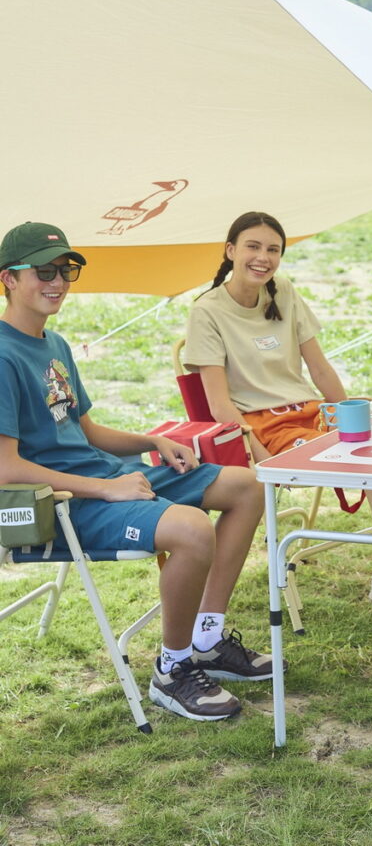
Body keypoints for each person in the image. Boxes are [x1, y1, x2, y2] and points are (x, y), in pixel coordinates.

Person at [0, 221, 281, 724]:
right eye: (44, 271)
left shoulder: (54, 343)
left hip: (106, 475)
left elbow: (85, 431)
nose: (58, 281)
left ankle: (207, 639)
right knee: (193, 531)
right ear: (9, 279)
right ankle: (172, 671)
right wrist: (106, 489)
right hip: (62, 502)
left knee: (249, 486)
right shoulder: (1, 355)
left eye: (67, 269)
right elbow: (6, 468)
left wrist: (153, 442)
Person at [184, 211, 372, 636]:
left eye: (273, 249)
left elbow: (320, 369)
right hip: (262, 427)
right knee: (371, 456)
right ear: (230, 250)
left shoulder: (283, 292)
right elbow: (219, 406)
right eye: (253, 246)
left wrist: (351, 418)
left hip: (310, 414)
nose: (263, 257)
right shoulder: (207, 312)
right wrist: (261, 454)